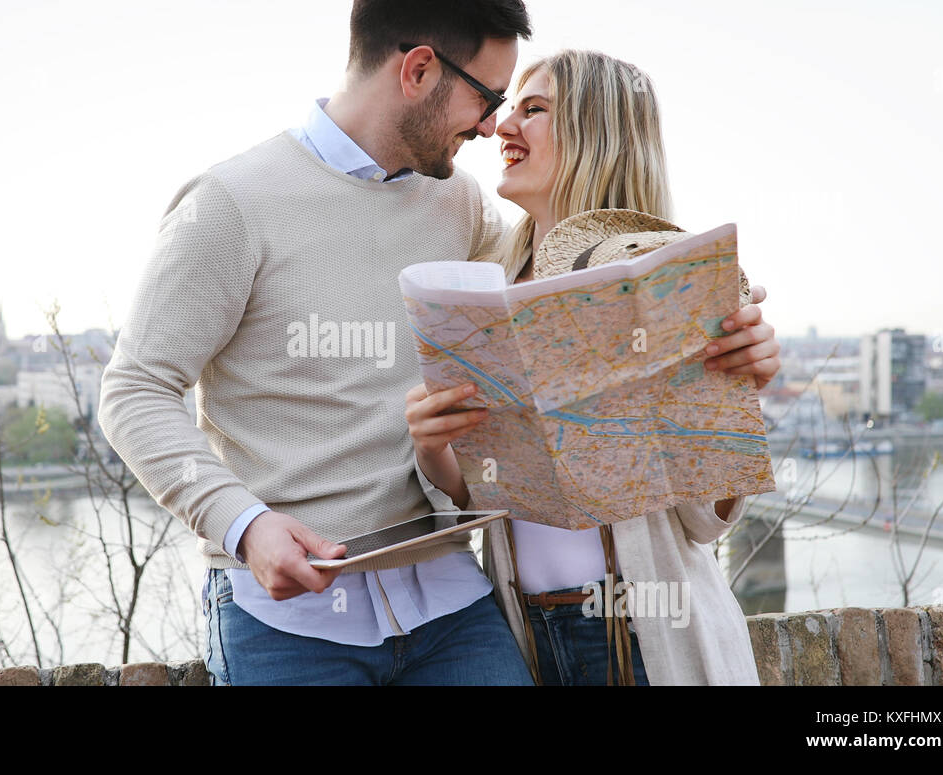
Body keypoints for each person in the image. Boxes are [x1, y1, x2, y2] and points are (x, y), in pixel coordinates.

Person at [98, 0, 541, 685]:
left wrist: (707, 306)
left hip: (451, 605)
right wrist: (245, 524)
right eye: (486, 98)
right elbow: (134, 390)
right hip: (287, 621)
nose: (491, 125)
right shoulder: (231, 202)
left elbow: (556, 288)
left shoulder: (462, 205)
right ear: (419, 70)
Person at [405, 50, 781, 685]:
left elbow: (700, 520)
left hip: (649, 634)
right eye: (510, 108)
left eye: (535, 110)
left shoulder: (664, 277)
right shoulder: (481, 282)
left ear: (596, 134)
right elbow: (475, 502)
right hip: (523, 637)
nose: (502, 126)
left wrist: (736, 394)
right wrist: (432, 441)